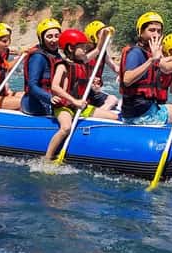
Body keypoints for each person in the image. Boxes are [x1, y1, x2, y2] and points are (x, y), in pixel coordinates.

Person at [44, 29, 120, 159]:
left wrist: (103, 36)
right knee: (66, 128)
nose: (85, 50)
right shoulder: (62, 65)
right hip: (64, 107)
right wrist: (74, 101)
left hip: (80, 106)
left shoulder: (82, 60)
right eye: (82, 47)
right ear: (70, 48)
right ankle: (47, 158)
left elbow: (98, 50)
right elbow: (55, 87)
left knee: (113, 118)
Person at [21, 17, 64, 117]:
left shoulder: (56, 55)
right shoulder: (38, 57)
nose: (54, 40)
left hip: (50, 100)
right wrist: (49, 98)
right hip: (35, 103)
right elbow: (32, 86)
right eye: (49, 36)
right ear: (41, 38)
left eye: (57, 36)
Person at [82, 20, 119, 111]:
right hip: (85, 92)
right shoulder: (86, 54)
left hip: (95, 92)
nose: (105, 37)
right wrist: (91, 81)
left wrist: (122, 73)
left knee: (113, 99)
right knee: (112, 101)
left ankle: (102, 111)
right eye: (102, 34)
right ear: (93, 37)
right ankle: (101, 113)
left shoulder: (103, 53)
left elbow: (115, 67)